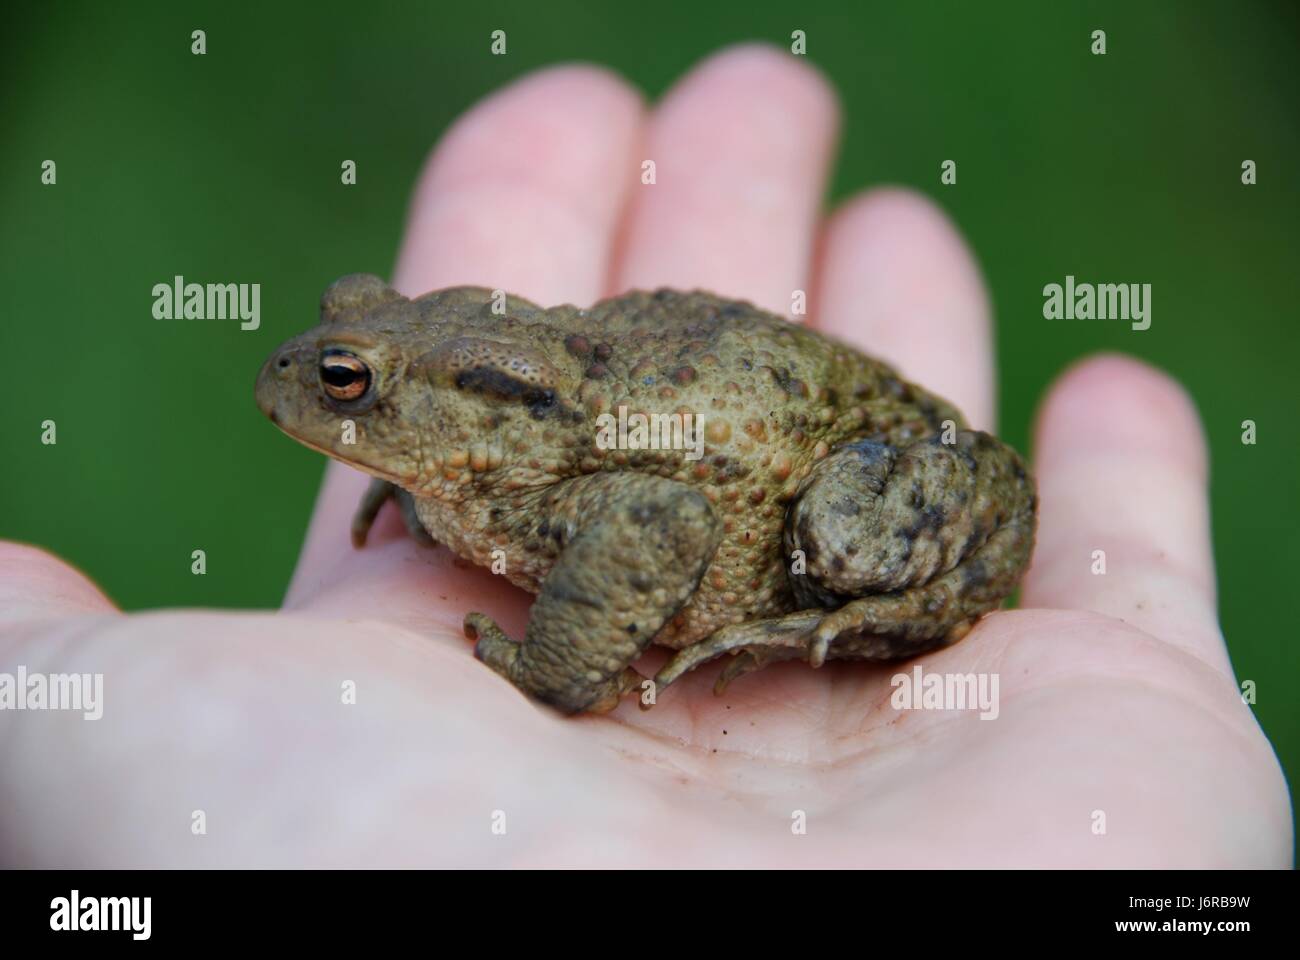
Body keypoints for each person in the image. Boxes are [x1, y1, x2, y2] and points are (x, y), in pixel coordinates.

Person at [0, 45, 1289, 867]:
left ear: (472, 412)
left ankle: (881, 598)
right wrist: (419, 471)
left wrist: (556, 668)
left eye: (350, 387)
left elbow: (665, 526)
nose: (312, 390)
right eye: (350, 364)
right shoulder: (494, 442)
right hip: (676, 380)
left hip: (821, 451)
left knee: (841, 532)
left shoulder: (568, 476)